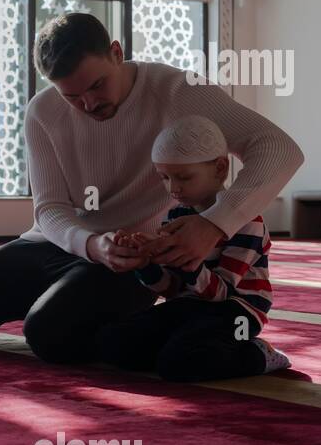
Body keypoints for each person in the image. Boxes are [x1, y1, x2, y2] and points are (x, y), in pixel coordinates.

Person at [0, 11, 304, 364]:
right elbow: (49, 209)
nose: (88, 104)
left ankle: (92, 312)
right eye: (72, 96)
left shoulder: (178, 91)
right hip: (63, 246)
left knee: (50, 337)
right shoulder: (43, 111)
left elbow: (278, 148)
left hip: (133, 260)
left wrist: (215, 223)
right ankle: (64, 299)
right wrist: (90, 244)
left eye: (97, 85)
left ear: (117, 53)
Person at [94, 115, 291, 381]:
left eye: (184, 177)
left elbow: (221, 294)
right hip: (190, 305)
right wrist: (145, 265)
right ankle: (182, 347)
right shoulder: (176, 216)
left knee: (181, 362)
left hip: (236, 312)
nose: (173, 188)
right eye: (164, 177)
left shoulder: (246, 222)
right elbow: (172, 289)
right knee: (112, 343)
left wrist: (185, 259)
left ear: (220, 168)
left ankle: (257, 354)